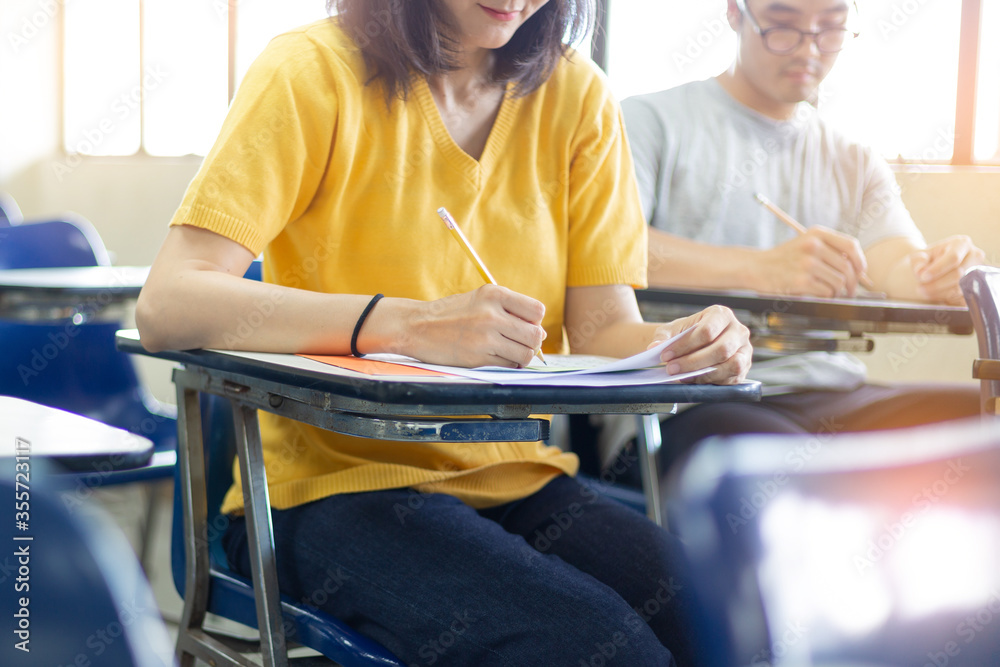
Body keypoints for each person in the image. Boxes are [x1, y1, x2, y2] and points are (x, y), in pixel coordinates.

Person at [136, 1, 752, 665]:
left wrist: (686, 343)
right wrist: (407, 323)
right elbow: (168, 301)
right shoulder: (311, 70)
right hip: (332, 488)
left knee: (738, 627)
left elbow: (604, 329)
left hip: (520, 479)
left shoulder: (577, 95)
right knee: (603, 649)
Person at [610, 0, 986, 474]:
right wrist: (760, 268)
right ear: (734, 12)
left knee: (984, 420)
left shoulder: (853, 158)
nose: (809, 49)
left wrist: (939, 273)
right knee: (809, 479)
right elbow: (608, 250)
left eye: (830, 30)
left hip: (833, 394)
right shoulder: (649, 121)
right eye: (785, 26)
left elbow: (898, 264)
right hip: (697, 395)